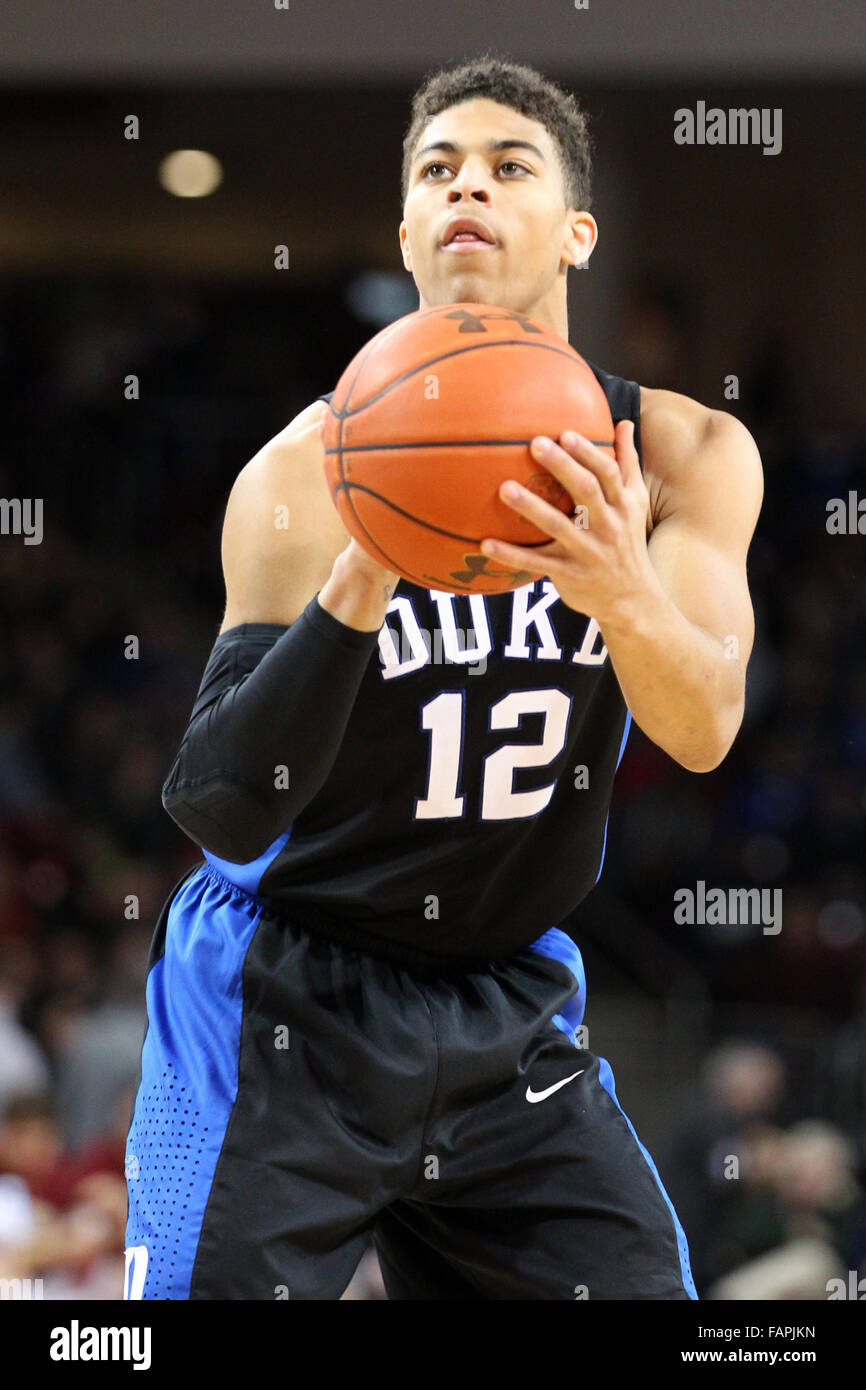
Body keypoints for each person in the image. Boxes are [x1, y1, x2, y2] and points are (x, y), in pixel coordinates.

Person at [124, 54, 762, 1300]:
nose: (467, 186)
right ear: (410, 230)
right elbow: (217, 803)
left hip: (504, 1001)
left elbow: (704, 729)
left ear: (577, 230)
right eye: (437, 170)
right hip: (280, 991)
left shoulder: (684, 454)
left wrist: (618, 589)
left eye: (509, 166)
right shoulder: (298, 479)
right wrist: (364, 569)